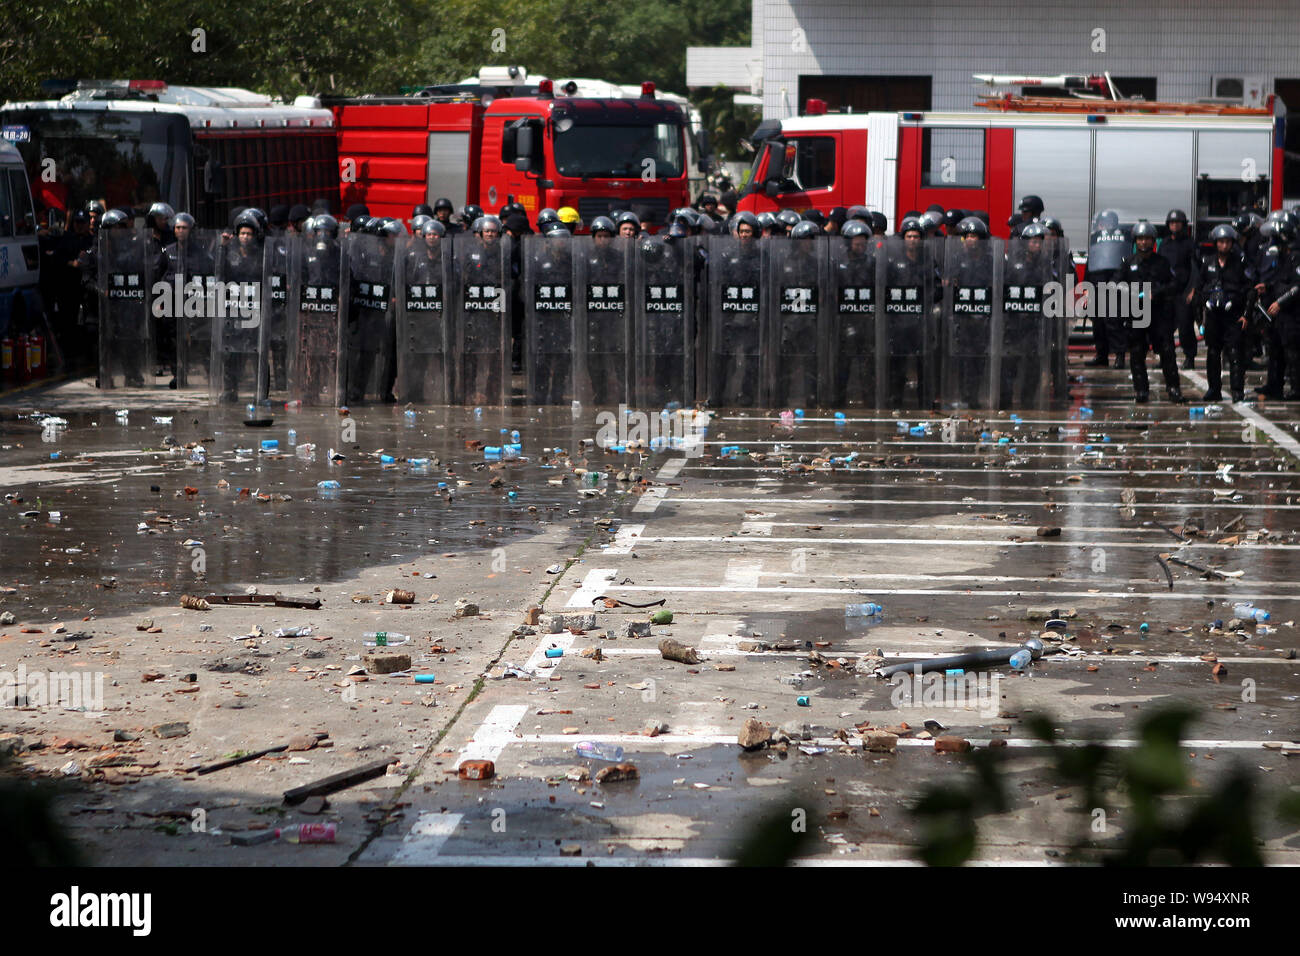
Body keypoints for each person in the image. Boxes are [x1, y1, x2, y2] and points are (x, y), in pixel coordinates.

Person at [1121, 221, 1181, 403]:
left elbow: (1173, 284)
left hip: (1159, 314)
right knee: (1137, 353)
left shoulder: (1162, 263)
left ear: (1153, 241)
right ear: (1135, 241)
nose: (1143, 243)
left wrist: (1157, 292)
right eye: (1140, 239)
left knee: (1167, 351)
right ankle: (1141, 390)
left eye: (1147, 239)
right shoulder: (1128, 263)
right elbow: (1116, 284)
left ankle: (1173, 388)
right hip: (1137, 313)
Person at [884, 216, 940, 406]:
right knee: (897, 364)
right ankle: (895, 401)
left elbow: (938, 287)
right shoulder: (894, 261)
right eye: (909, 236)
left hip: (921, 322)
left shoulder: (927, 261)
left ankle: (924, 402)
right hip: (899, 322)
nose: (913, 240)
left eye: (916, 236)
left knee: (923, 363)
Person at [1196, 224, 1255, 402]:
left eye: (1228, 242)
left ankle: (1237, 390)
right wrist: (1200, 320)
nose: (1224, 245)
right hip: (1214, 315)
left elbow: (1250, 290)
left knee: (1235, 353)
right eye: (1221, 242)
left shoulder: (1240, 262)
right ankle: (1214, 389)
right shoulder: (1207, 262)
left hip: (1233, 315)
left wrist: (1246, 314)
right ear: (1215, 243)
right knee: (1213, 353)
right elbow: (1199, 290)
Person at [945, 216, 995, 407]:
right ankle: (965, 395)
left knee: (979, 359)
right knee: (963, 358)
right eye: (968, 236)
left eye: (975, 236)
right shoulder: (957, 260)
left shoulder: (989, 261)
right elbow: (950, 284)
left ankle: (975, 395)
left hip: (982, 319)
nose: (971, 240)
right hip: (963, 318)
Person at [1259, 218, 1300, 399]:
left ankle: (1296, 388)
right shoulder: (1283, 257)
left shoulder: (1296, 256)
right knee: (1275, 349)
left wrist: (1280, 303)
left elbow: (1297, 286)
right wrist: (1267, 288)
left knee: (1292, 352)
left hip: (1292, 313)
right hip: (1279, 314)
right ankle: (1274, 385)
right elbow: (1280, 281)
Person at [1085, 209, 1129, 367]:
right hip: (1096, 286)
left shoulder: (1120, 243)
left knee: (1114, 322)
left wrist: (1116, 282)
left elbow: (1123, 266)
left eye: (1107, 224)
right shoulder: (1095, 242)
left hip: (1114, 288)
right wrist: (1087, 287)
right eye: (1101, 224)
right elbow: (1090, 266)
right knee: (1097, 323)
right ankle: (1101, 355)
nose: (1103, 227)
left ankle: (1119, 356)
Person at [1159, 209, 1199, 368]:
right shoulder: (1164, 243)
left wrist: (1193, 290)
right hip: (1167, 292)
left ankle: (1190, 357)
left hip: (1184, 292)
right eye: (1172, 222)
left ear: (1183, 224)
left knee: (1185, 328)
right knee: (1164, 329)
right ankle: (1166, 358)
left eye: (1177, 222)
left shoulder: (1190, 243)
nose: (1174, 225)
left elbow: (1196, 269)